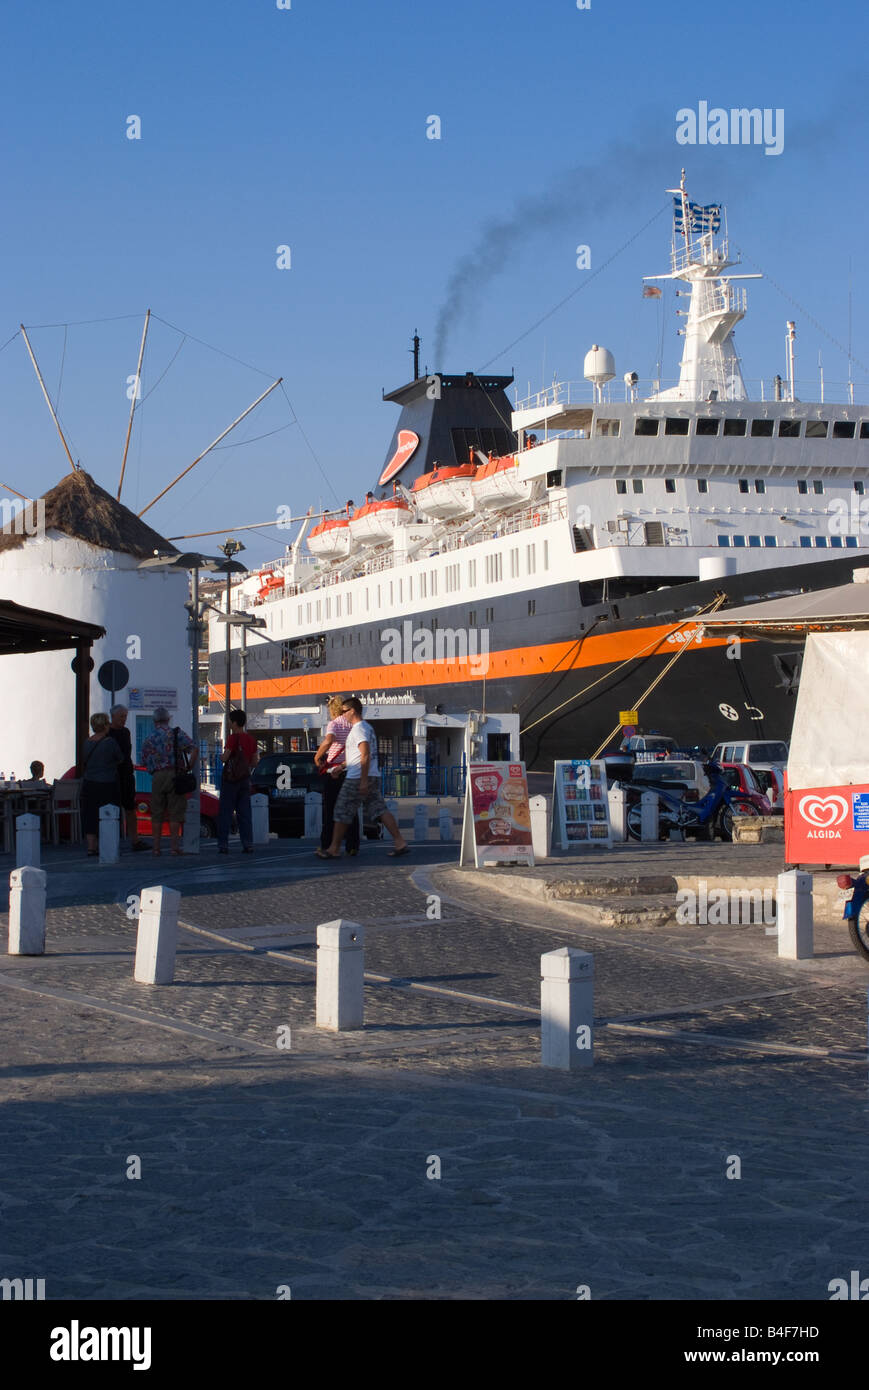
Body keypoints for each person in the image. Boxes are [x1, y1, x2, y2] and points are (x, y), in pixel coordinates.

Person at [322, 698, 408, 860]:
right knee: (380, 809)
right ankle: (400, 842)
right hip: (370, 774)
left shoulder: (359, 729)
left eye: (344, 711)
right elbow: (358, 755)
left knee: (341, 811)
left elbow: (365, 754)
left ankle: (334, 848)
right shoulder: (367, 727)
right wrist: (341, 767)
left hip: (357, 777)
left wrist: (362, 781)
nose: (342, 715)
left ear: (352, 711)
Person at [140, 706, 198, 857]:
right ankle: (174, 848)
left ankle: (156, 848)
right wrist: (189, 766)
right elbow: (194, 749)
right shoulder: (176, 734)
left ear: (154, 721)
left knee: (157, 813)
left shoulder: (149, 738)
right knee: (175, 812)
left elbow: (144, 761)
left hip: (157, 777)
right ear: (168, 719)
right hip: (175, 775)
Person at [314, 695, 360, 858]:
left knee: (330, 810)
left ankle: (327, 845)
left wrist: (317, 756)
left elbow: (329, 740)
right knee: (351, 810)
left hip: (334, 772)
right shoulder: (354, 725)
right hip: (350, 769)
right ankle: (352, 845)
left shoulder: (334, 724)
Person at [80, 712, 124, 856]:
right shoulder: (109, 742)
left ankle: (91, 847)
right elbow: (120, 758)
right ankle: (107, 844)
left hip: (89, 783)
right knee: (107, 813)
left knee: (90, 814)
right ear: (105, 725)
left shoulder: (87, 742)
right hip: (107, 783)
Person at [218, 709, 259, 854]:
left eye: (230, 720)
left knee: (226, 812)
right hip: (245, 778)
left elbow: (225, 757)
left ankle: (223, 844)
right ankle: (247, 843)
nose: (229, 723)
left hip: (231, 779)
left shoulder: (232, 738)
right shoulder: (251, 740)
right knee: (244, 813)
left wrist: (220, 756)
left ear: (234, 722)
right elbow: (254, 762)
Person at [107, 704, 146, 851]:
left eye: (125, 716)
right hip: (112, 776)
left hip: (126, 775)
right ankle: (111, 839)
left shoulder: (126, 732)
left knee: (130, 808)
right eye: (121, 716)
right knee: (112, 808)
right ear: (113, 717)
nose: (124, 719)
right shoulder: (108, 733)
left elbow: (126, 752)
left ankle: (135, 840)